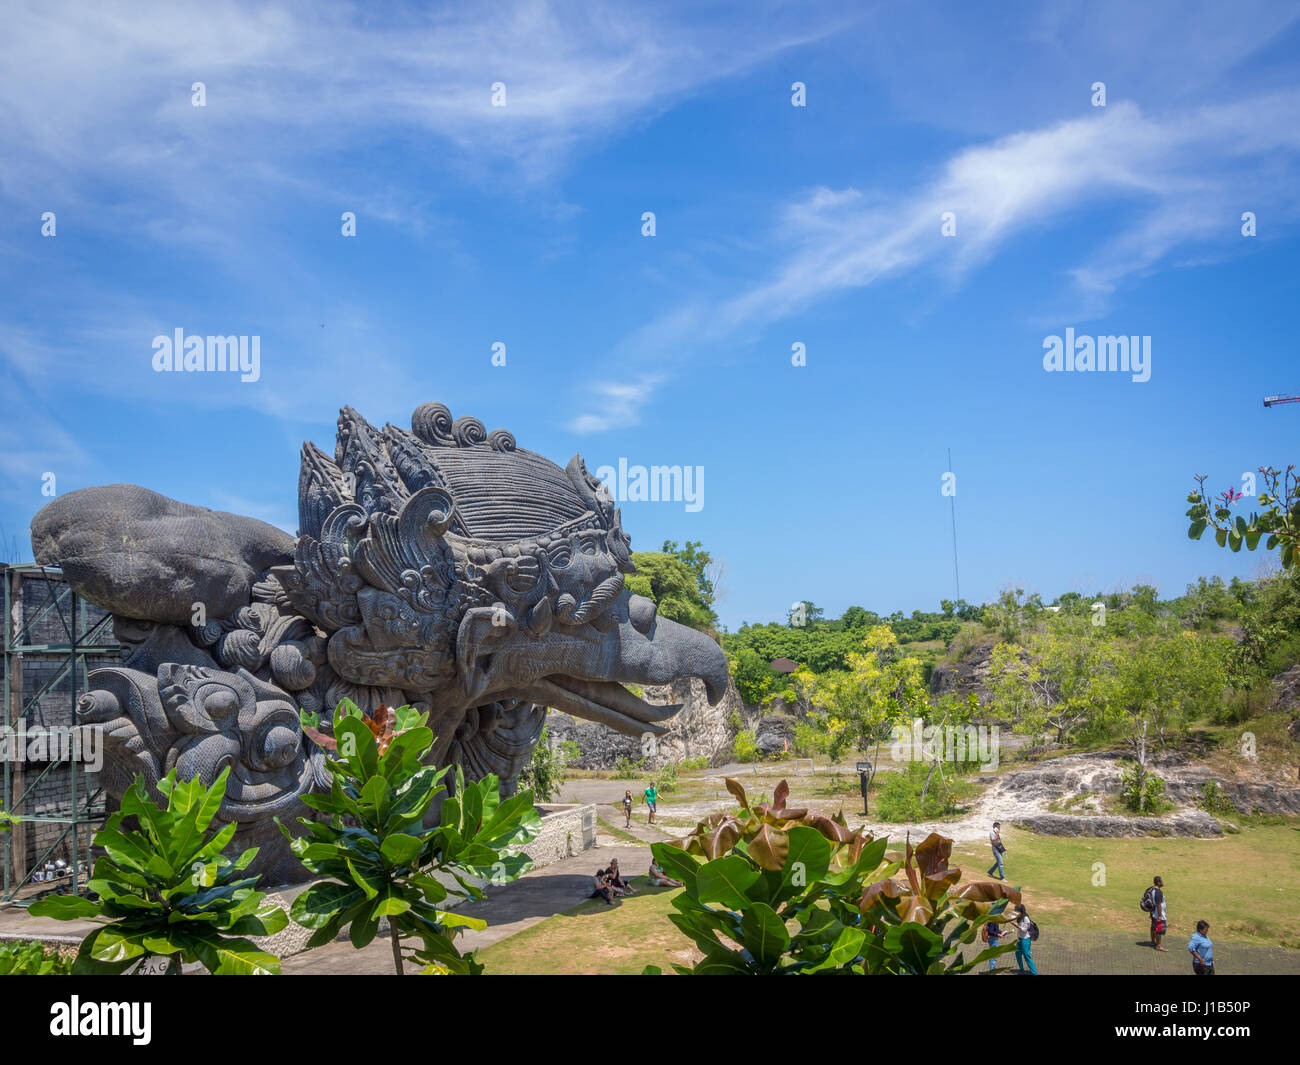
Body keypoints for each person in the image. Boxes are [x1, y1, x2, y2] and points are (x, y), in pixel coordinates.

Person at [1012, 903, 1038, 974]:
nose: (1016, 912)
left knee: (1026, 956)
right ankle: (1022, 971)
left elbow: (1024, 929)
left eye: (1017, 911)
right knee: (1017, 954)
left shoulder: (1026, 918)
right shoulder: (1019, 917)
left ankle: (1034, 973)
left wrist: (1014, 925)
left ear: (1021, 911)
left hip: (1025, 940)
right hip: (1020, 939)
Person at [1148, 876, 1168, 951]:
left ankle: (1153, 941)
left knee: (1153, 927)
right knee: (1159, 929)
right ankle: (1158, 945)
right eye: (1161, 881)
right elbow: (1159, 904)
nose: (1163, 882)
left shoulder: (1152, 889)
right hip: (1158, 913)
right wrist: (1160, 916)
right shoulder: (1158, 892)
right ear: (1158, 882)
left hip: (1153, 912)